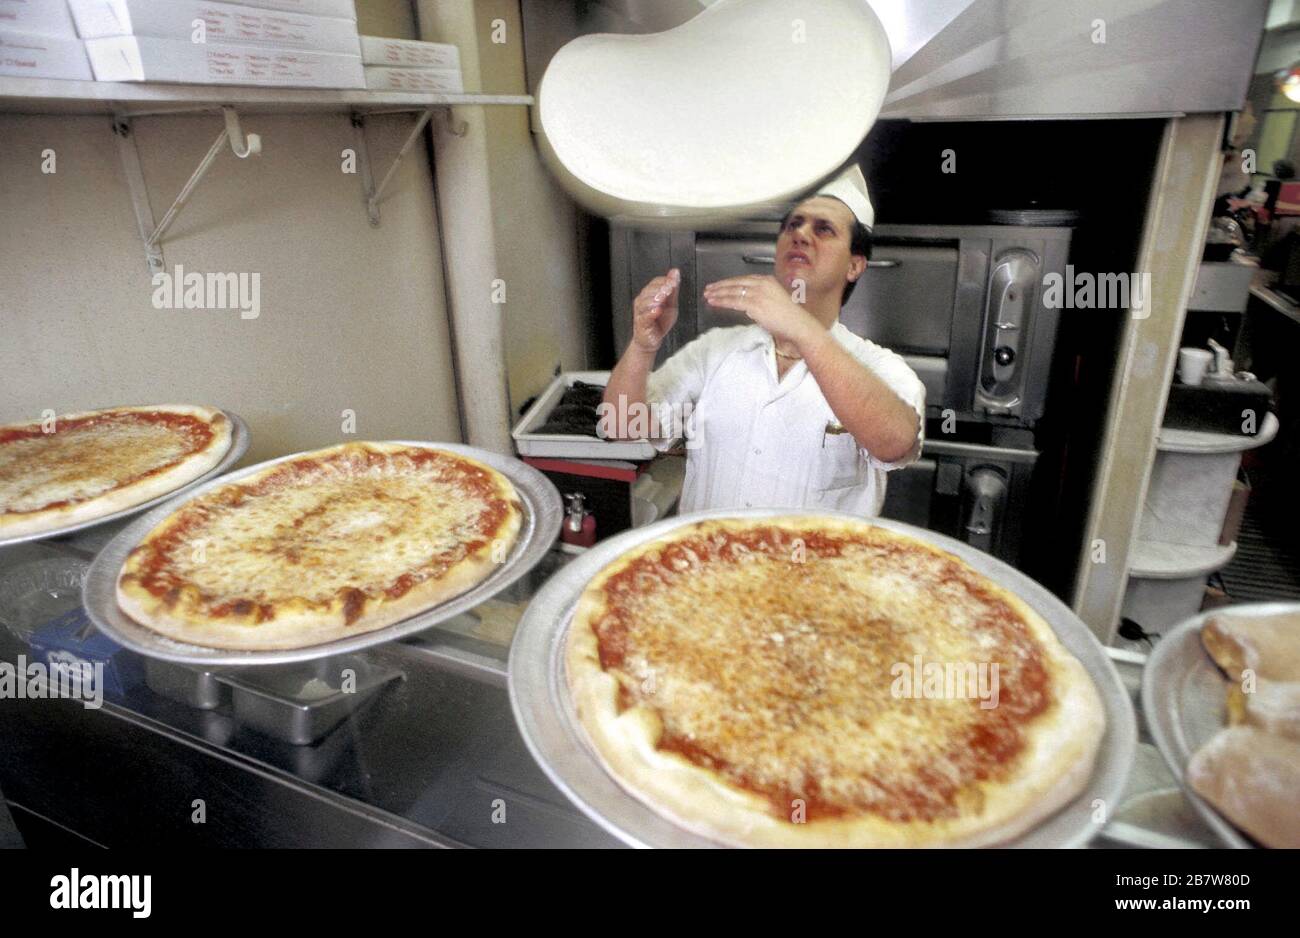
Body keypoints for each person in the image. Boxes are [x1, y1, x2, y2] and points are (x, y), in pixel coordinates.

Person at [602, 166, 926, 516]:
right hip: (709, 563)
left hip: (817, 569)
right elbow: (623, 427)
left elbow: (894, 444)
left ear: (854, 266)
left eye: (824, 229)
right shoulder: (715, 351)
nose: (801, 235)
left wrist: (802, 328)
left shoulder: (880, 368)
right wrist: (642, 346)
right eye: (793, 225)